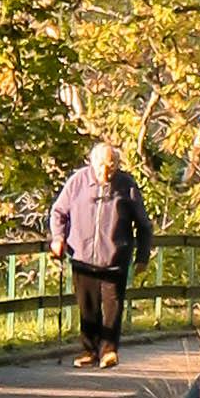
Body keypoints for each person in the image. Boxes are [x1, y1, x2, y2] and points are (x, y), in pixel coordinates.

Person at [47, 141, 142, 364]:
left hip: (115, 258)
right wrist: (58, 239)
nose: (105, 171)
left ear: (117, 164)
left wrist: (143, 256)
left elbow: (143, 223)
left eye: (111, 166)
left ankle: (109, 351)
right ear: (92, 163)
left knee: (112, 307)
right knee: (87, 306)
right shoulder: (78, 181)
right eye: (101, 166)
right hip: (82, 256)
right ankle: (89, 351)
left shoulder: (127, 185)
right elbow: (58, 212)